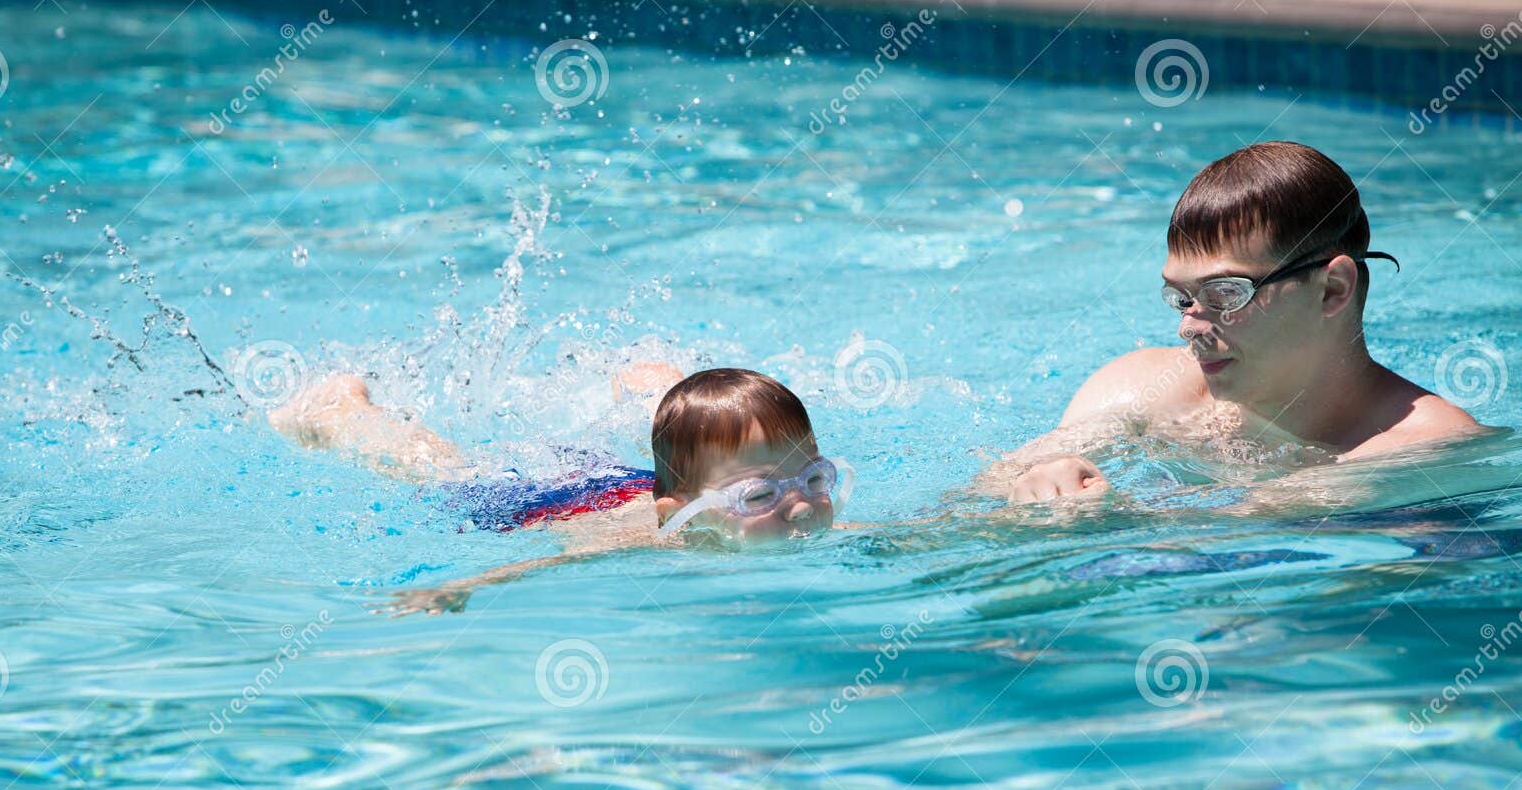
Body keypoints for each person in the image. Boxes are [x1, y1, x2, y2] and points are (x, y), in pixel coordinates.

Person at [979, 141, 1484, 505]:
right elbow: (975, 496)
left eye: (1225, 294)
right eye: (1181, 297)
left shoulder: (1429, 450)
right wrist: (1042, 481)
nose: (1189, 328)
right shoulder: (1141, 389)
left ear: (1332, 289)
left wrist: (1115, 521)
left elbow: (1252, 542)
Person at [268, 365, 853, 612]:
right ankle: (341, 413)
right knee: (442, 466)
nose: (801, 506)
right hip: (545, 506)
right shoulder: (640, 546)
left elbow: (903, 537)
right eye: (759, 497)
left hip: (630, 483)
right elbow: (539, 568)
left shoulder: (780, 512)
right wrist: (463, 588)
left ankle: (652, 377)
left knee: (701, 430)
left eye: (812, 478)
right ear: (689, 517)